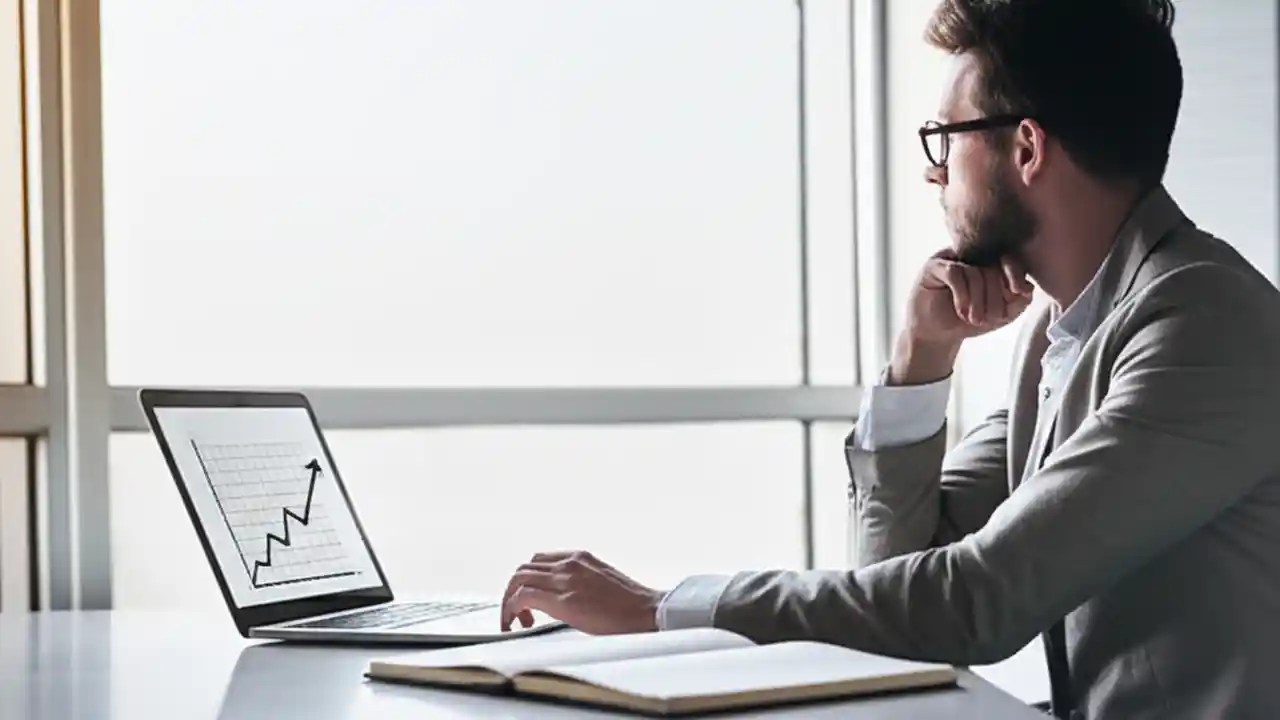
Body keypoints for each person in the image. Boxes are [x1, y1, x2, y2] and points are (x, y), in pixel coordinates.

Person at [499, 1, 1280, 717]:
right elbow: (901, 570)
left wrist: (661, 609)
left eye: (946, 136)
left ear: (1028, 149)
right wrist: (921, 358)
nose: (933, 171)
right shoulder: (1061, 333)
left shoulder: (1202, 325)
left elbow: (975, 600)